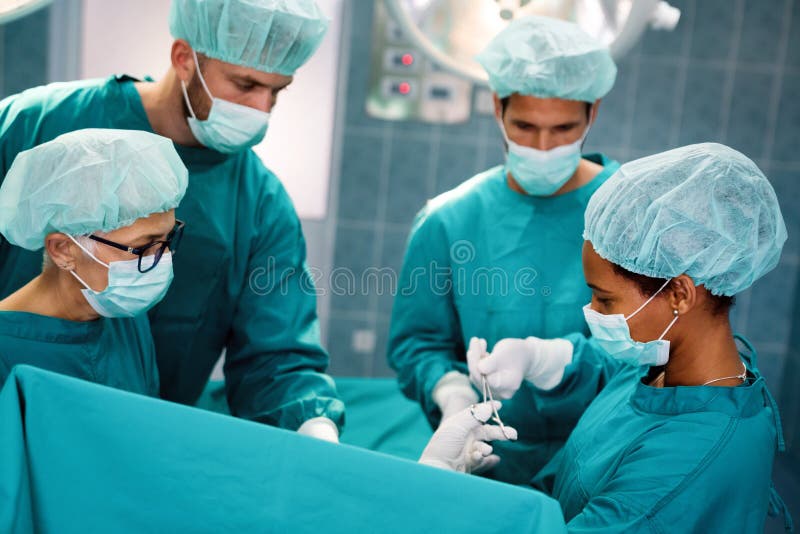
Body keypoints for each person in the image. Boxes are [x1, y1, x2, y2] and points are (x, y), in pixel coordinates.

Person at [0, 0, 344, 441]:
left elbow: (276, 357)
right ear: (184, 58)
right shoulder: (35, 124)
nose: (262, 110)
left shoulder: (259, 202)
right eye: (245, 83)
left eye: (277, 92)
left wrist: (314, 425)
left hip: (142, 441)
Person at [433, 143, 791, 531]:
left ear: (679, 295)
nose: (593, 313)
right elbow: (608, 370)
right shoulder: (666, 364)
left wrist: (437, 487)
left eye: (604, 299)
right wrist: (538, 356)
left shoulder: (687, 461)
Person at [387, 15, 620, 482]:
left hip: (604, 458)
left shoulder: (630, 214)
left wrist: (550, 360)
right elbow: (418, 343)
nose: (543, 146)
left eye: (563, 129)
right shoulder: (449, 220)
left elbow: (655, 346)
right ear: (497, 106)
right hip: (488, 465)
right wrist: (452, 392)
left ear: (592, 112)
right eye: (525, 126)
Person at [0, 129, 188, 395]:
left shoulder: (124, 317)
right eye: (144, 246)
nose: (161, 259)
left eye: (168, 239)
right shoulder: (6, 353)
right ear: (63, 249)